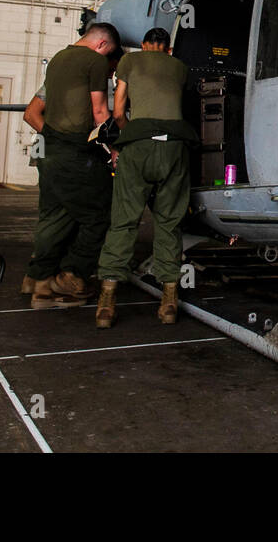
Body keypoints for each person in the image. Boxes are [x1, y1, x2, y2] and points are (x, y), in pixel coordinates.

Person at [95, 27, 197, 328]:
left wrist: (132, 134)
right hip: (175, 149)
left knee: (124, 220)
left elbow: (117, 111)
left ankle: (106, 304)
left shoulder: (130, 61)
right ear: (168, 48)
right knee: (169, 222)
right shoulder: (179, 67)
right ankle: (168, 303)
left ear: (143, 45)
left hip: (139, 146)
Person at [24, 22, 121, 308]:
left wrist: (53, 137)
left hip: (48, 152)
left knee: (54, 216)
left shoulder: (57, 59)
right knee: (100, 213)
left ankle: (39, 283)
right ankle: (72, 276)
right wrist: (115, 147)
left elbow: (34, 112)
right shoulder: (93, 61)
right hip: (76, 153)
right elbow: (100, 111)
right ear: (102, 46)